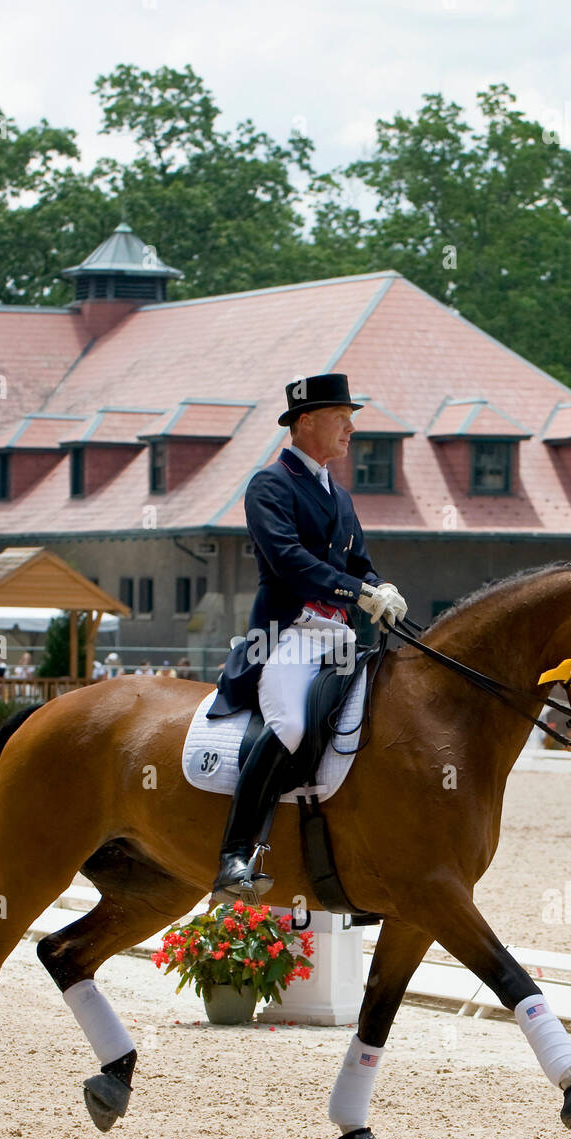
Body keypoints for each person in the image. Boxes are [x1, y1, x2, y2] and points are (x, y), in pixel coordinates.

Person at [207, 372, 406, 902]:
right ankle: (234, 854)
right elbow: (289, 561)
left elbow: (359, 563)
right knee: (292, 725)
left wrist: (381, 588)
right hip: (287, 634)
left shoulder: (338, 496)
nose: (350, 428)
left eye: (352, 418)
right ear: (305, 421)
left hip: (338, 640)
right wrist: (358, 592)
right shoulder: (269, 485)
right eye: (342, 417)